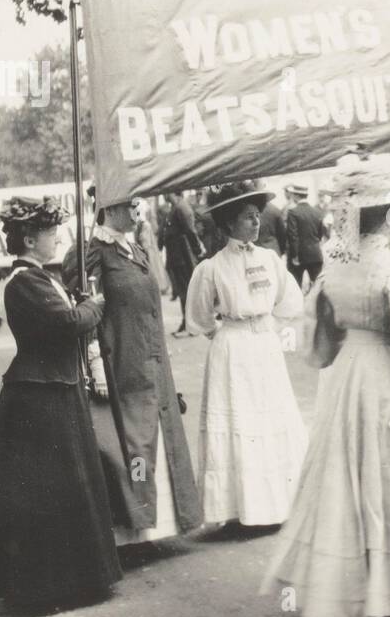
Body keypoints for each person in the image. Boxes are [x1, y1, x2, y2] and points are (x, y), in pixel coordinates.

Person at [262, 154, 390, 617]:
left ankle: (342, 585)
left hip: (347, 373)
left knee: (343, 472)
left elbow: (319, 339)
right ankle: (387, 588)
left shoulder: (336, 266)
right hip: (384, 374)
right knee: (386, 472)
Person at [0, 196, 120, 615]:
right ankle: (48, 586)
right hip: (39, 394)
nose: (56, 235)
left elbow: (65, 316)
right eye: (49, 231)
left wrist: (78, 302)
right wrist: (91, 306)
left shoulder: (40, 277)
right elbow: (66, 323)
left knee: (64, 486)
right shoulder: (25, 281)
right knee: (49, 489)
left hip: (55, 387)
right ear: (28, 237)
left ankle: (72, 579)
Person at [62, 199, 203, 548]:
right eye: (129, 207)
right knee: (131, 438)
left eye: (137, 206)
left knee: (154, 430)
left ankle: (156, 525)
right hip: (119, 355)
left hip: (148, 354)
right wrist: (94, 355)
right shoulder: (94, 252)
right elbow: (87, 304)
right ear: (108, 210)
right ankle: (130, 532)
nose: (136, 212)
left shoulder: (133, 248)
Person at [185, 181, 307, 528]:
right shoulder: (211, 267)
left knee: (269, 418)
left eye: (257, 216)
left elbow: (290, 300)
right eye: (247, 218)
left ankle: (278, 505)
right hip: (233, 347)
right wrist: (223, 333)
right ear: (228, 225)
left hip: (265, 344)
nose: (255, 223)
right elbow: (198, 316)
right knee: (239, 419)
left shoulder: (269, 259)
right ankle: (239, 509)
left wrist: (267, 325)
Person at [161, 191, 205, 335]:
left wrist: (197, 250)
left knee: (186, 291)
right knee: (182, 291)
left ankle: (191, 325)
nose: (163, 194)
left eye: (165, 191)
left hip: (182, 257)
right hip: (177, 256)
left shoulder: (181, 208)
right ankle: (186, 323)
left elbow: (190, 231)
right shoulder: (176, 207)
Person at [284, 183, 326, 289]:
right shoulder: (317, 212)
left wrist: (294, 256)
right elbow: (320, 234)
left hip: (299, 257)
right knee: (317, 288)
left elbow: (292, 236)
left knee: (296, 288)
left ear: (296, 196)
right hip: (315, 254)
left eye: (293, 194)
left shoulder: (293, 212)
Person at [256, 183, 287, 258]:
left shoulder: (249, 211)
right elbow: (282, 235)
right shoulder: (275, 210)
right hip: (274, 250)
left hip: (257, 252)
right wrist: (282, 251)